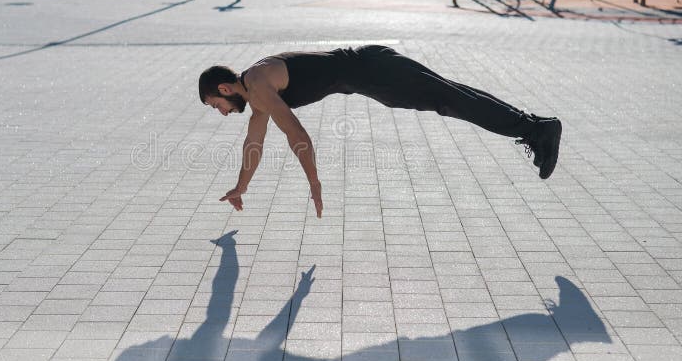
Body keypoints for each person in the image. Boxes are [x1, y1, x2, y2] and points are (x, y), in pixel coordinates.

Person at [199, 45, 562, 217]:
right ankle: (534, 128)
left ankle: (536, 129)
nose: (223, 113)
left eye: (218, 106)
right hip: (374, 70)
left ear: (226, 89)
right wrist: (241, 186)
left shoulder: (259, 84)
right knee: (450, 96)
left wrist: (314, 183)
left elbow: (298, 136)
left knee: (450, 99)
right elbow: (254, 143)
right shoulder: (257, 92)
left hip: (376, 72)